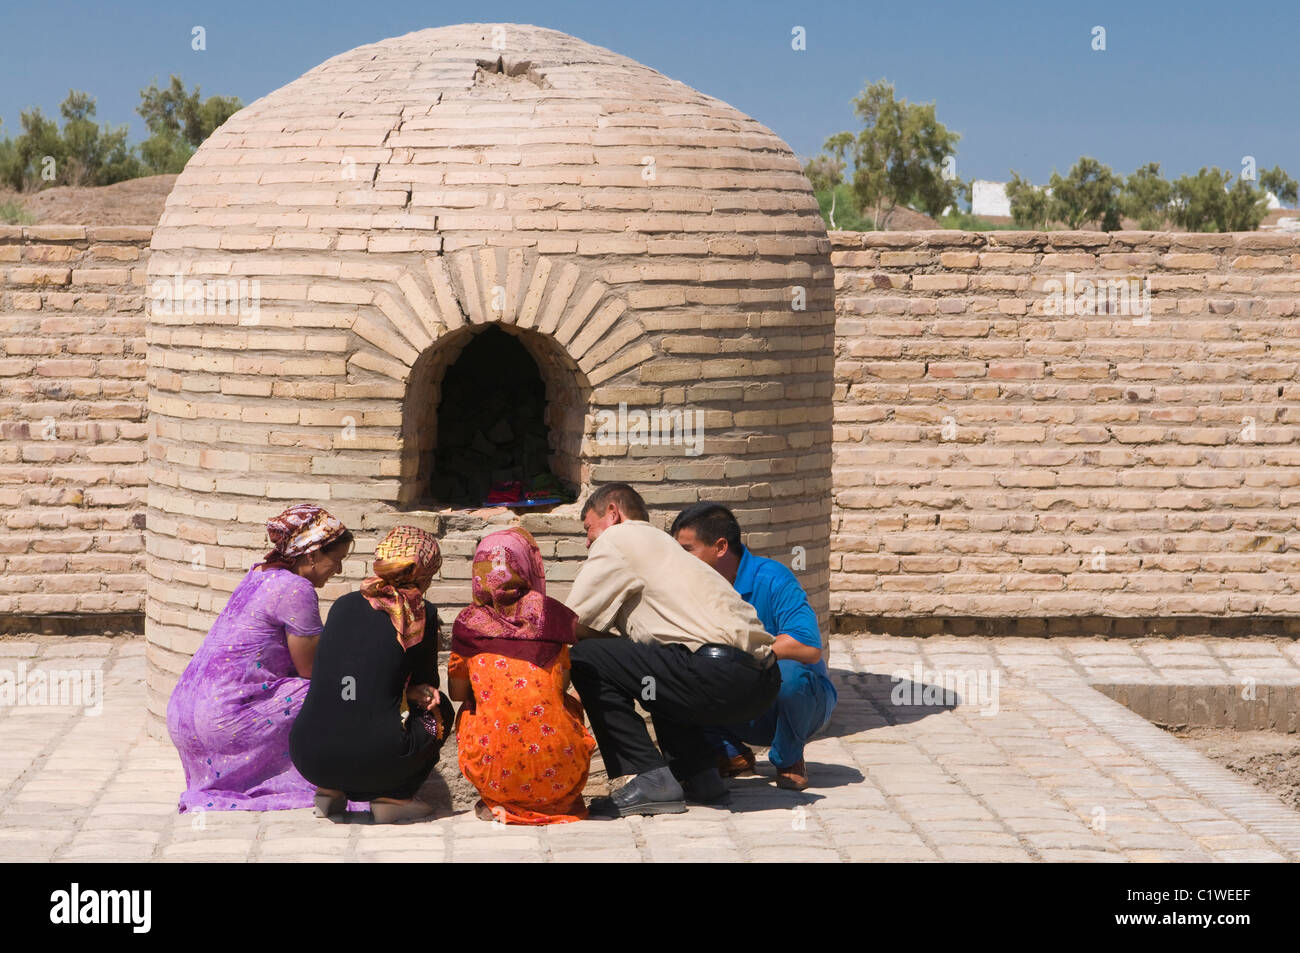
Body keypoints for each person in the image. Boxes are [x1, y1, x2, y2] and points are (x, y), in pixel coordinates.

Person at [564, 483, 781, 818]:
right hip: (761, 681)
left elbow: (572, 623)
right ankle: (699, 774)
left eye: (589, 529)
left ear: (612, 513)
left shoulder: (619, 538)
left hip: (716, 674)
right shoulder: (666, 547)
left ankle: (650, 779)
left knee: (586, 658)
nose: (588, 541)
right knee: (656, 663)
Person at [166, 503, 352, 813]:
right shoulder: (297, 589)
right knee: (343, 690)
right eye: (336, 560)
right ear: (311, 554)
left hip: (183, 715)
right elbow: (310, 670)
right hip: (222, 722)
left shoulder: (261, 573)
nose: (339, 570)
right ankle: (332, 776)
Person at [289, 526, 455, 823]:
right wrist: (412, 692)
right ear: (425, 570)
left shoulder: (344, 605)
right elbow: (427, 684)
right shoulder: (420, 613)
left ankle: (329, 792)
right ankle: (396, 798)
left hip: (307, 755)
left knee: (346, 705)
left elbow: (351, 671)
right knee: (440, 706)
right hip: (378, 759)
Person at [671, 503, 837, 790]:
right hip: (740, 704)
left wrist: (747, 656)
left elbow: (807, 646)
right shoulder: (689, 587)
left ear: (720, 547)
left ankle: (788, 758)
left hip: (798, 703)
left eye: (688, 550)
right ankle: (730, 753)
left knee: (790, 674)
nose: (678, 560)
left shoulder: (773, 578)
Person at [448, 527, 595, 824]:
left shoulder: (467, 622)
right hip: (559, 771)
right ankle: (554, 800)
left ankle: (500, 799)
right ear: (526, 568)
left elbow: (457, 693)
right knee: (566, 703)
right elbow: (561, 688)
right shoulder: (551, 616)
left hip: (495, 772)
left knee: (468, 710)